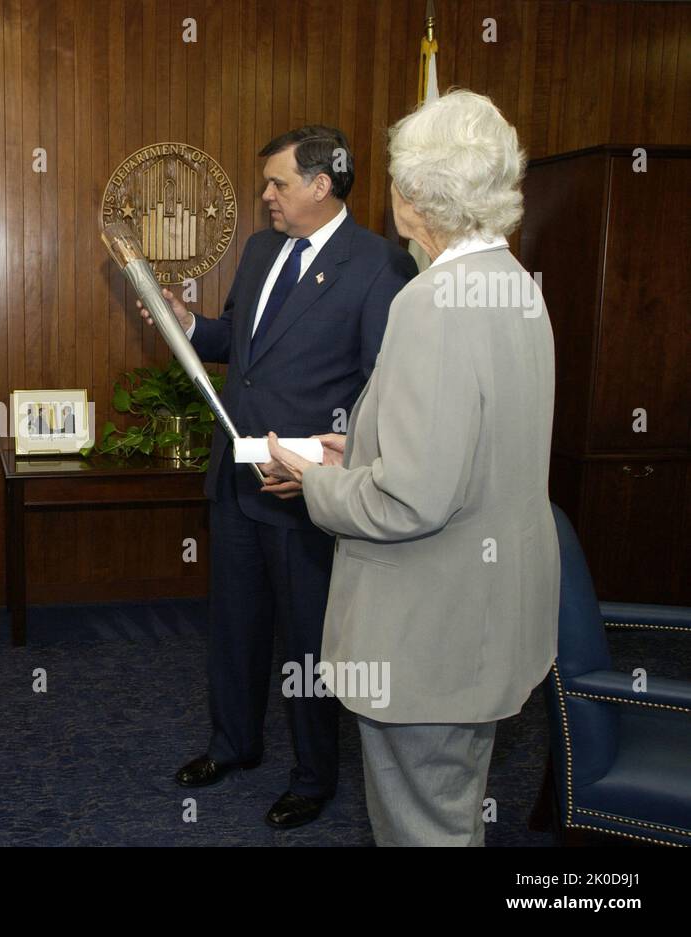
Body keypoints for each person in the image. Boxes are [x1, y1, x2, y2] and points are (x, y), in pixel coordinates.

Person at [263, 90, 558, 846]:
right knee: (454, 812)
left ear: (414, 193)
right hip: (489, 626)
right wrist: (359, 450)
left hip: (426, 639)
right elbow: (474, 447)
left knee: (421, 829)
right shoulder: (518, 287)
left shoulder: (432, 303)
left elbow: (410, 499)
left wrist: (319, 481)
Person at [142, 126, 416, 829]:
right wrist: (188, 323)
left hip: (307, 488)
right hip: (238, 471)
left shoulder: (379, 266)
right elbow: (239, 341)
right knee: (232, 625)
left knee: (306, 641)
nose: (265, 195)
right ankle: (232, 744)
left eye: (278, 183)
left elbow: (387, 384)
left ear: (321, 186)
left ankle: (314, 774)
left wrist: (338, 458)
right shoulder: (263, 249)